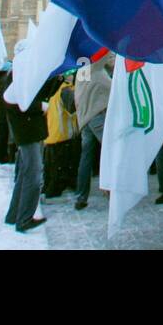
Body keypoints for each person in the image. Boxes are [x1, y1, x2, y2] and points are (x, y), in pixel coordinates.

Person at [3, 66, 61, 233]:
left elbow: (41, 94)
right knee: (33, 175)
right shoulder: (16, 78)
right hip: (27, 134)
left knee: (24, 175)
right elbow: (20, 103)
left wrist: (56, 79)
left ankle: (14, 215)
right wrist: (40, 107)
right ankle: (24, 219)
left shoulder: (21, 75)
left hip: (30, 132)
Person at [73, 54, 114, 209]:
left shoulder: (82, 69)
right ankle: (111, 190)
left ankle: (81, 197)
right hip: (96, 115)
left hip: (84, 118)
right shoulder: (95, 66)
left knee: (86, 157)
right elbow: (108, 54)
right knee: (110, 150)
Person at [42, 73, 80, 197]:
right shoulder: (66, 90)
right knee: (60, 166)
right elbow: (73, 108)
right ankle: (54, 190)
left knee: (52, 166)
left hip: (52, 133)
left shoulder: (54, 89)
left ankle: (50, 187)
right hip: (62, 135)